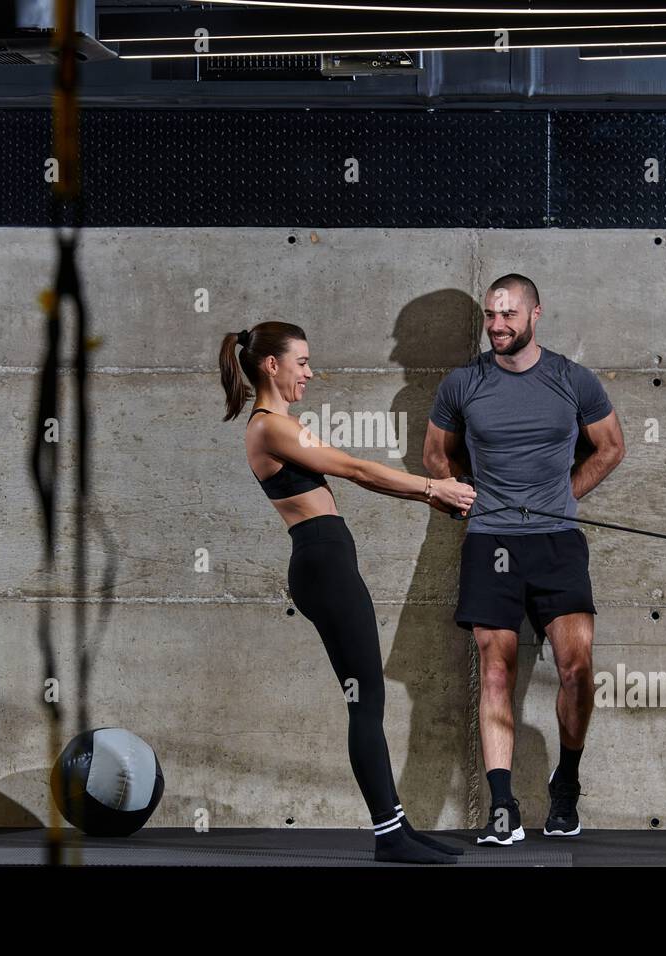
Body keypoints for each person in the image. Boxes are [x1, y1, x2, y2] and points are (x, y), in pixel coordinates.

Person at [219, 321, 476, 863]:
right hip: (323, 565)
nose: (310, 373)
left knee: (369, 701)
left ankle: (396, 829)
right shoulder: (269, 427)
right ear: (273, 365)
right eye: (302, 362)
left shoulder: (280, 425)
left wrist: (431, 495)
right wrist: (434, 487)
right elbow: (358, 470)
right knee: (366, 701)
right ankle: (390, 836)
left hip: (327, 562)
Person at [423, 274, 625, 845]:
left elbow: (611, 446)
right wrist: (463, 495)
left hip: (557, 540)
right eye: (490, 315)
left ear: (536, 314)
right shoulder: (463, 383)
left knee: (577, 670)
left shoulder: (572, 379)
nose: (496, 325)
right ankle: (502, 805)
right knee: (494, 671)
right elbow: (435, 457)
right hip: (492, 542)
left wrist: (564, 498)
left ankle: (566, 789)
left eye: (508, 314)